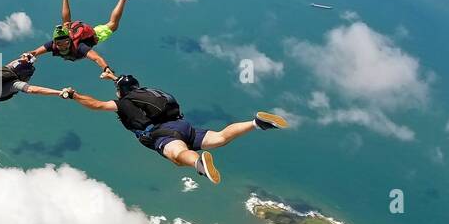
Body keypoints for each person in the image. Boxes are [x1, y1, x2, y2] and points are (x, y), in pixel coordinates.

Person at [60, 74, 287, 183]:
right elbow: (124, 85)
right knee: (219, 138)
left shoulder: (123, 103)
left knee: (177, 156)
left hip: (164, 133)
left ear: (121, 92)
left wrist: (75, 95)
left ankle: (198, 163)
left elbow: (97, 105)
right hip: (184, 125)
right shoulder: (147, 92)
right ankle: (257, 123)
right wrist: (113, 76)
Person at [21, 0, 135, 79]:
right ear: (55, 42)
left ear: (69, 40)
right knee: (66, 24)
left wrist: (105, 68)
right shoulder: (52, 45)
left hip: (93, 35)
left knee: (113, 25)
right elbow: (35, 52)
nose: (62, 45)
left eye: (65, 42)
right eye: (59, 43)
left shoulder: (79, 47)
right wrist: (27, 56)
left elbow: (96, 57)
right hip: (71, 31)